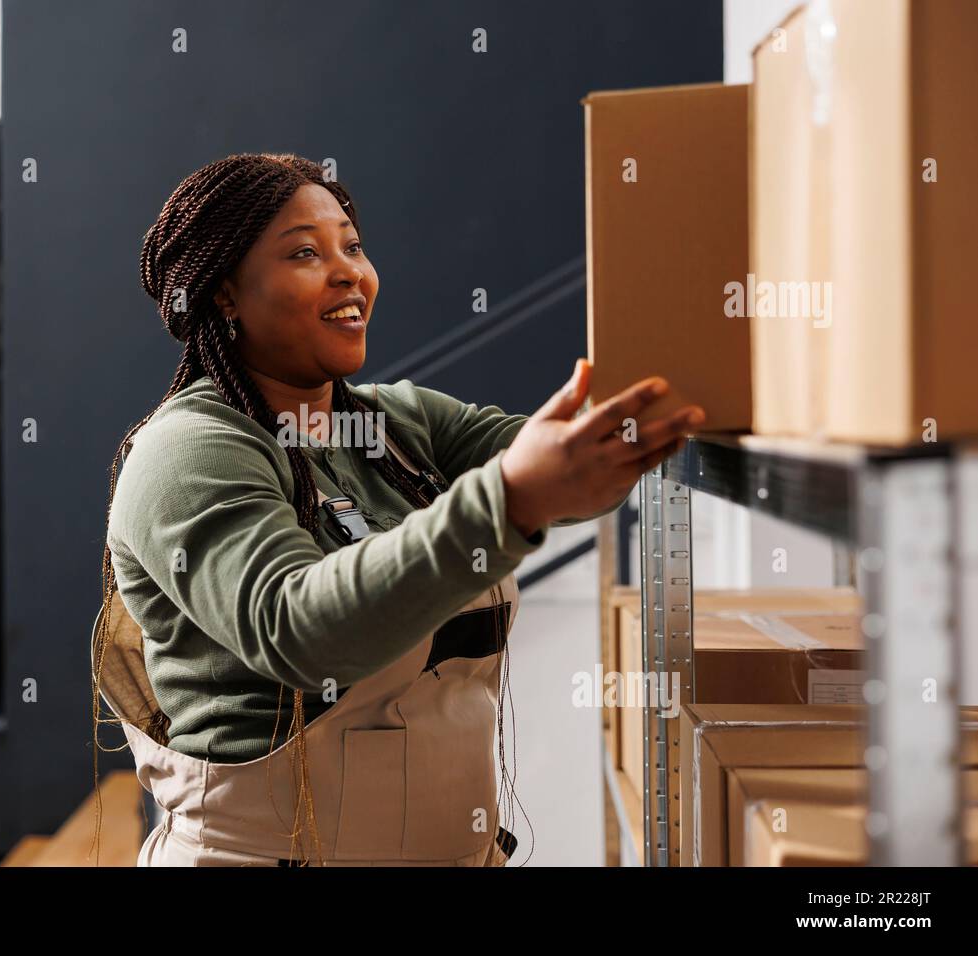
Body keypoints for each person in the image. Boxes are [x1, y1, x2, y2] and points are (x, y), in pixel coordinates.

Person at [92, 152, 704, 867]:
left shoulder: (400, 428)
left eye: (352, 246)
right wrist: (510, 500)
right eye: (305, 253)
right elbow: (300, 631)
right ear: (226, 293)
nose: (349, 270)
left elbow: (574, 465)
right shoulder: (187, 452)